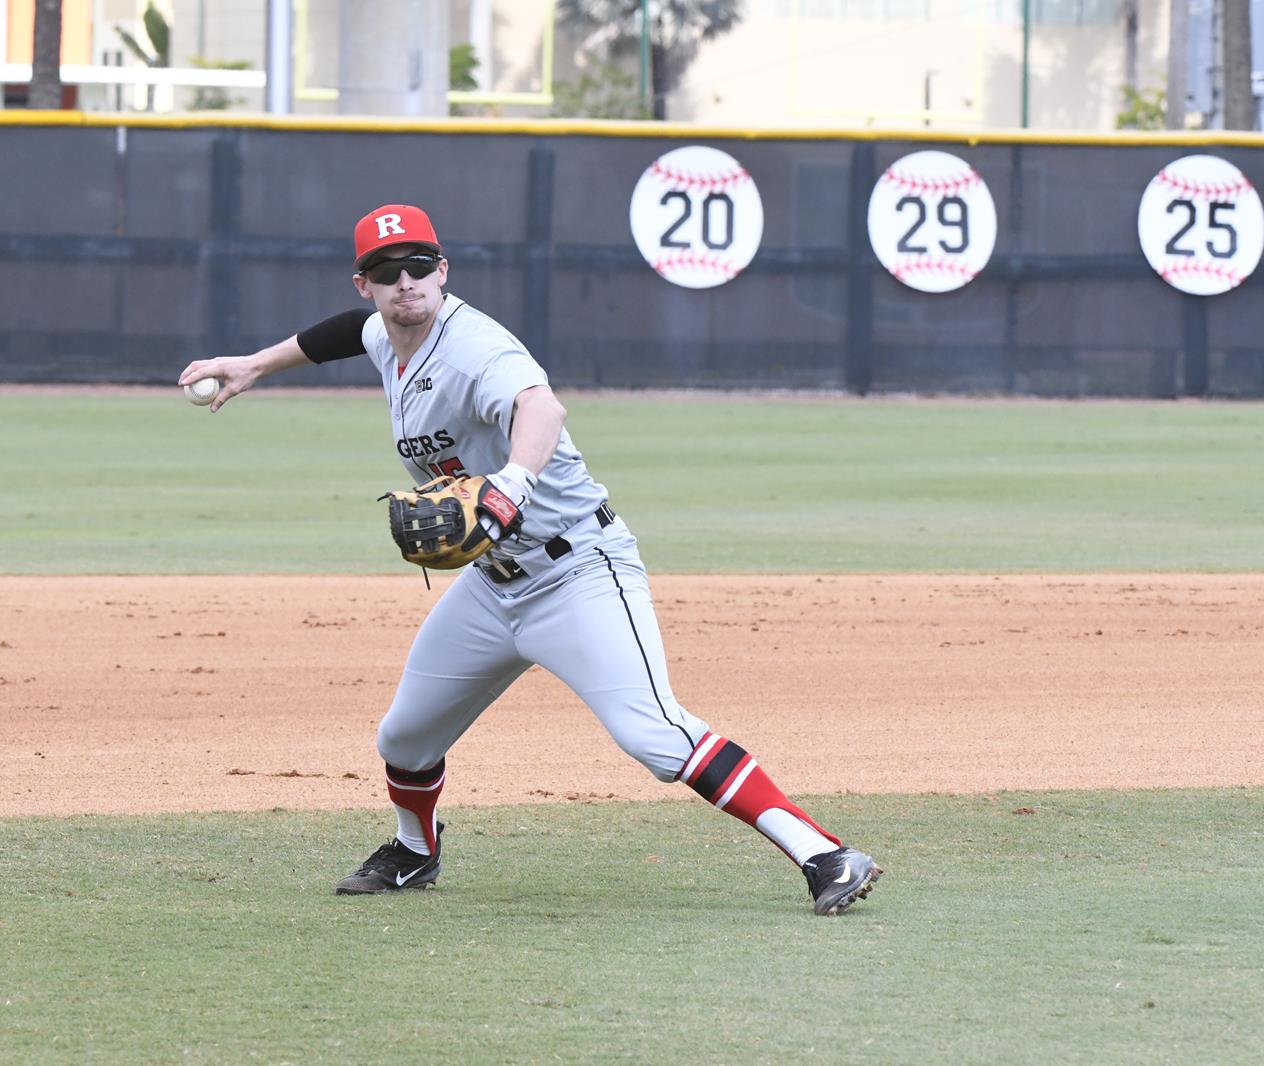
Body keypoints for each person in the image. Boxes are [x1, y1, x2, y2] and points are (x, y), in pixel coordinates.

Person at [178, 204, 882, 915]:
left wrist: (512, 483)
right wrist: (254, 365)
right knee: (406, 735)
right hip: (493, 585)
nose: (407, 281)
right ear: (366, 283)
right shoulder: (384, 329)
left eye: (421, 265)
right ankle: (414, 854)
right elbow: (336, 336)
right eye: (388, 272)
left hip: (577, 568)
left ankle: (825, 854)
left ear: (443, 270)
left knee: (655, 736)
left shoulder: (475, 346)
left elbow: (541, 409)